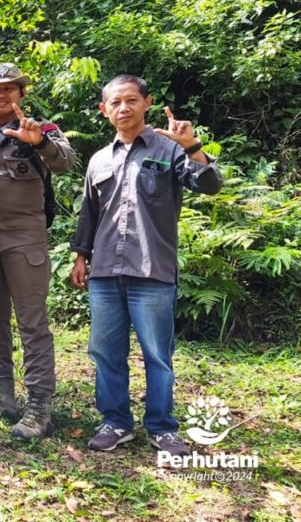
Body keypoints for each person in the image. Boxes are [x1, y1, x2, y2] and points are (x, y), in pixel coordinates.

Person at [71, 75, 222, 456]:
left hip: (152, 269)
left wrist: (193, 148)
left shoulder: (170, 150)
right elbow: (89, 213)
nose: (124, 108)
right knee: (105, 351)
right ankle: (115, 421)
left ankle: (162, 427)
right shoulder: (99, 159)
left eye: (131, 100)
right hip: (105, 270)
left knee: (157, 354)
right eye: (115, 103)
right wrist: (80, 255)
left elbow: (209, 185)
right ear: (104, 110)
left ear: (147, 103)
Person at [0, 63, 76, 440]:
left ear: (20, 94)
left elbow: (65, 162)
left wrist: (39, 142)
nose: (1, 95)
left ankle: (39, 404)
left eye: (9, 88)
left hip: (25, 237)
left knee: (32, 323)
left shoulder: (41, 129)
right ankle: (2, 396)